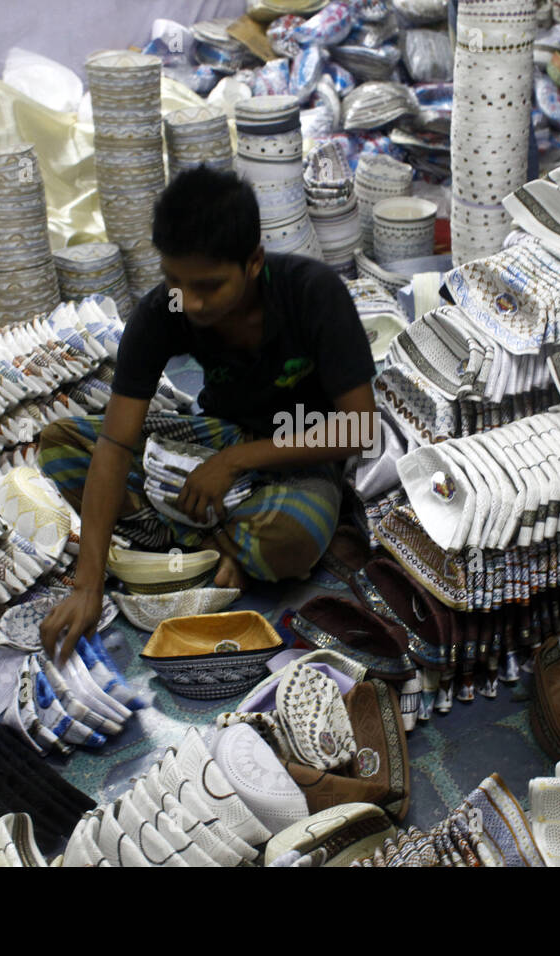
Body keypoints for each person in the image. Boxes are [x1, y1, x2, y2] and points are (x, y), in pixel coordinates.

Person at [37, 166, 379, 663]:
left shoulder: (312, 293)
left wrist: (236, 462)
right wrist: (87, 585)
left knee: (293, 539)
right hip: (220, 434)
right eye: (175, 280)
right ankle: (221, 547)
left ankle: (190, 542)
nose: (190, 301)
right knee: (62, 443)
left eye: (209, 286)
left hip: (301, 451)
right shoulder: (166, 308)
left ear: (254, 262)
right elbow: (114, 443)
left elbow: (358, 428)